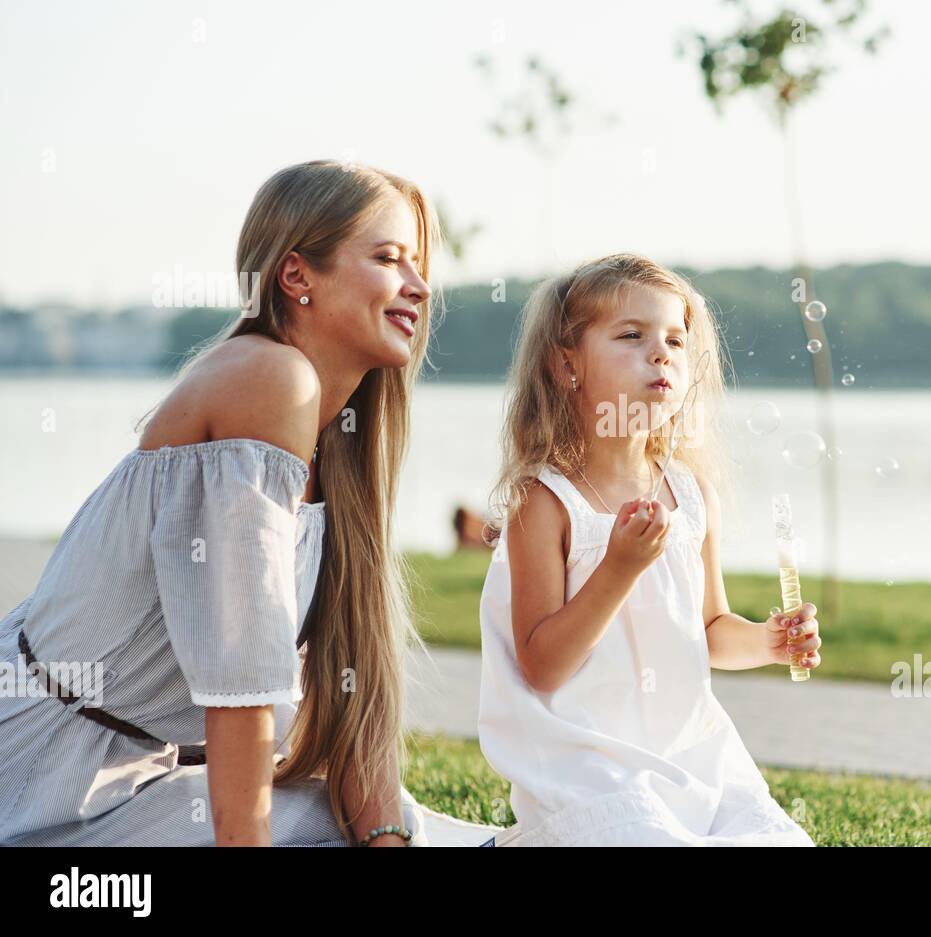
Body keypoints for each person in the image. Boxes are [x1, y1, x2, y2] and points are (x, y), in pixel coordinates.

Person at [0, 160, 501, 847]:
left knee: (394, 825)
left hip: (136, 781)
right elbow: (239, 682)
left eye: (417, 265)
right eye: (388, 258)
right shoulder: (270, 380)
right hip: (33, 773)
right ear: (297, 277)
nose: (418, 286)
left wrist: (385, 839)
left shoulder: (339, 449)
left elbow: (356, 708)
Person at [476, 253, 819, 845]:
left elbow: (710, 630)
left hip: (692, 757)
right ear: (566, 365)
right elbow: (541, 665)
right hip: (589, 766)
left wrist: (768, 641)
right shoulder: (546, 502)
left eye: (675, 340)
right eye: (631, 336)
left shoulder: (689, 494)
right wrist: (618, 568)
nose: (660, 353)